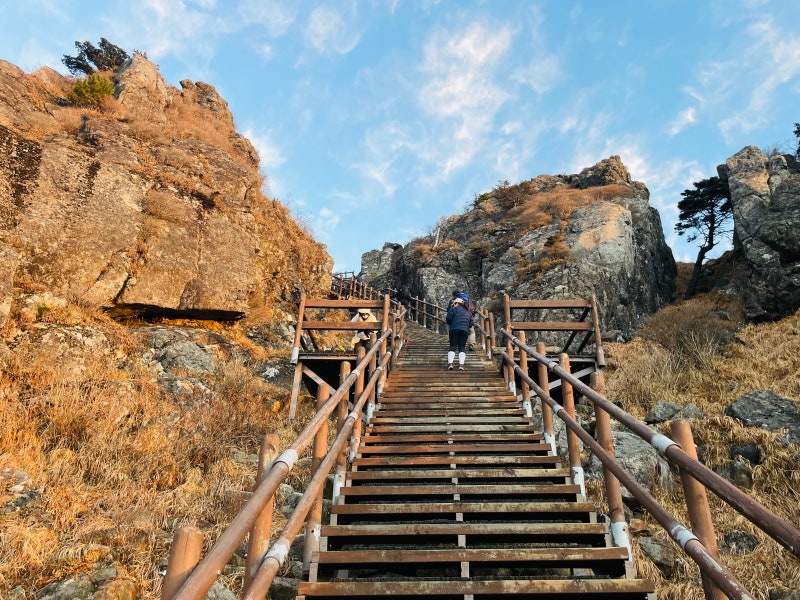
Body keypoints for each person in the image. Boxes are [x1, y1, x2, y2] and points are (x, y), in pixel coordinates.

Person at [445, 296, 473, 371]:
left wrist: (452, 324)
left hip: (454, 329)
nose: (453, 305)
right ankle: (461, 365)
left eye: (454, 303)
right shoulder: (469, 312)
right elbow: (471, 324)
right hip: (464, 331)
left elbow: (448, 319)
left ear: (457, 303)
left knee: (453, 346)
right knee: (462, 347)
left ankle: (450, 364)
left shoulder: (453, 309)